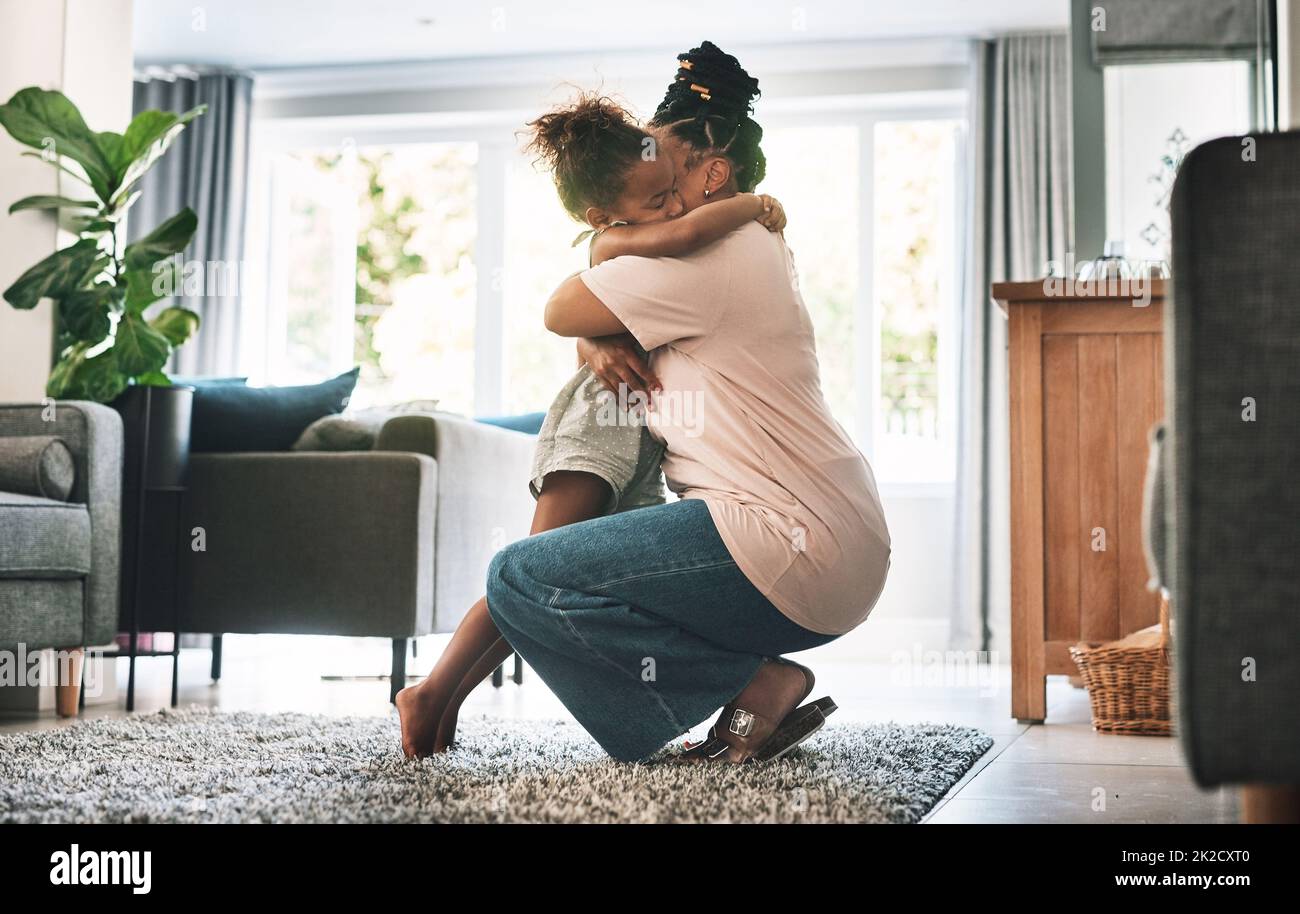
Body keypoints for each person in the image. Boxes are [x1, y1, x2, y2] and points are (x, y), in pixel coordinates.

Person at [482, 42, 892, 764]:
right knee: (576, 571)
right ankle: (745, 694)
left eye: (668, 173)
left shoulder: (714, 252)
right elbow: (591, 323)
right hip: (828, 538)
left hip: (788, 539)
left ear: (712, 170)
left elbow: (560, 308)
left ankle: (759, 681)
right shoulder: (743, 247)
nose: (661, 190)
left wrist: (594, 318)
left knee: (522, 573)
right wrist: (598, 344)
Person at [396, 89, 787, 758]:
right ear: (603, 215)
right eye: (656, 200)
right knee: (533, 566)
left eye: (671, 190)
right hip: (601, 417)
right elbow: (685, 236)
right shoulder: (621, 239)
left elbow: (612, 324)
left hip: (638, 428)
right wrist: (753, 207)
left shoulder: (634, 235)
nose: (671, 206)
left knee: (563, 578)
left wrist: (598, 340)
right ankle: (431, 691)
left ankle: (440, 695)